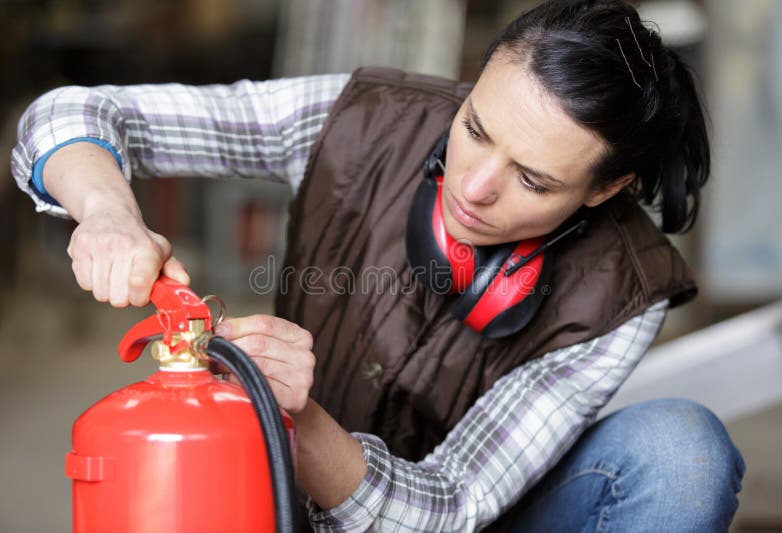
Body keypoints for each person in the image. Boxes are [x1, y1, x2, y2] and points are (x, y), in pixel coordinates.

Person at [12, 0, 745, 531]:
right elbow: (71, 114)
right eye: (476, 128)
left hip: (473, 521)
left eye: (534, 180)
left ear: (605, 188)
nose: (475, 185)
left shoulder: (624, 287)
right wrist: (105, 208)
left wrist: (298, 418)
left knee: (680, 450)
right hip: (280, 507)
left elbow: (456, 505)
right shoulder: (365, 121)